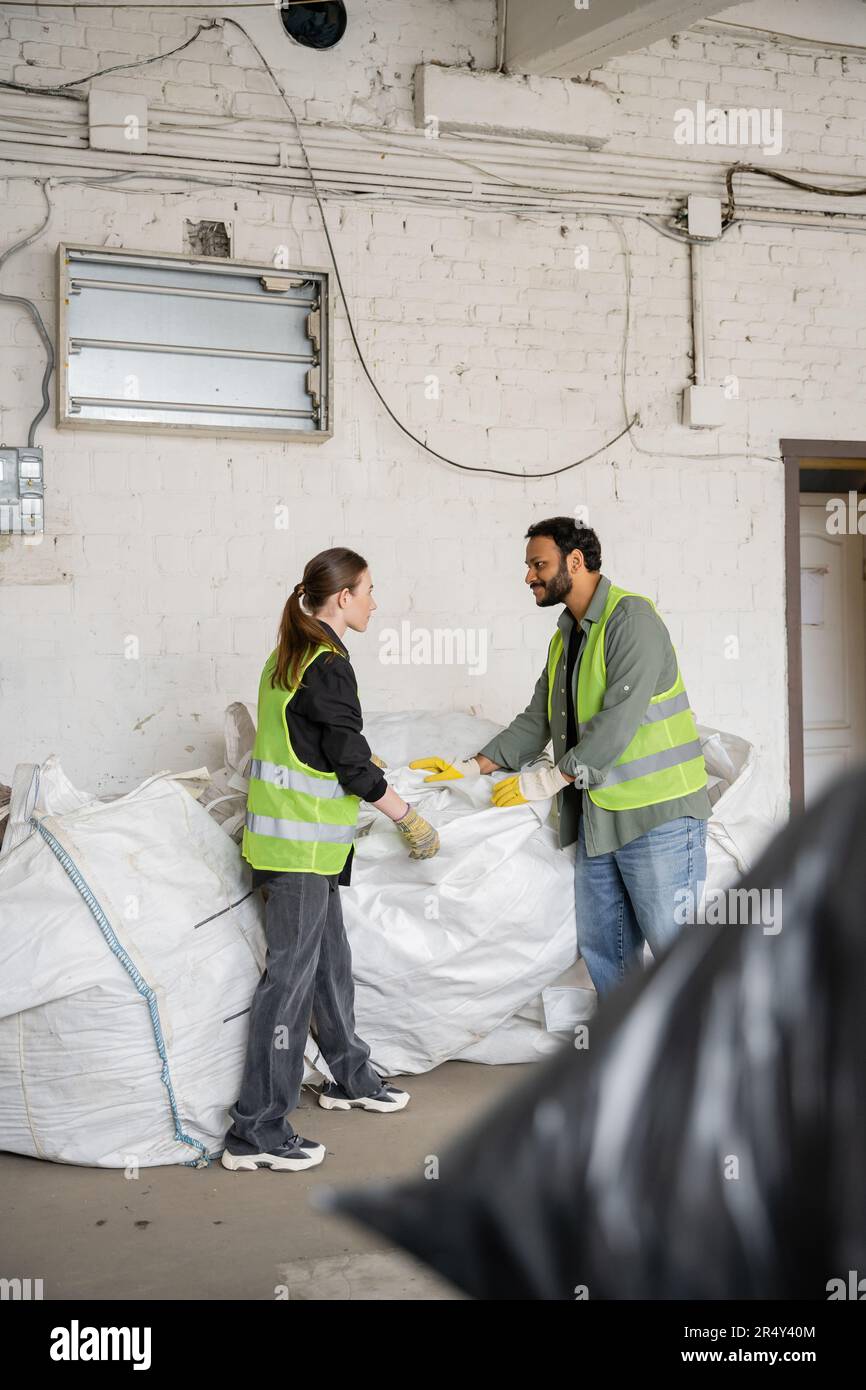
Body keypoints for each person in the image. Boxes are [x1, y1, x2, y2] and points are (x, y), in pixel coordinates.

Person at [412, 517, 710, 997]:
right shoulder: (564, 637)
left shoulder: (631, 620)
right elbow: (537, 720)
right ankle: (628, 1062)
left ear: (575, 561)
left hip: (660, 818)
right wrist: (473, 766)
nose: (529, 576)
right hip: (598, 819)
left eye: (538, 564)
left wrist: (549, 779)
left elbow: (618, 720)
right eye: (529, 566)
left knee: (675, 957)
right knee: (606, 953)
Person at [222, 547, 439, 1173]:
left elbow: (318, 749)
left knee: (328, 963)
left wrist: (369, 769)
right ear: (342, 598)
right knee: (288, 983)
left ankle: (350, 1077)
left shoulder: (287, 658)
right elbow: (348, 761)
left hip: (302, 847)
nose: (375, 601)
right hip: (299, 852)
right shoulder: (325, 664)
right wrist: (408, 817)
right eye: (369, 590)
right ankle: (256, 1129)